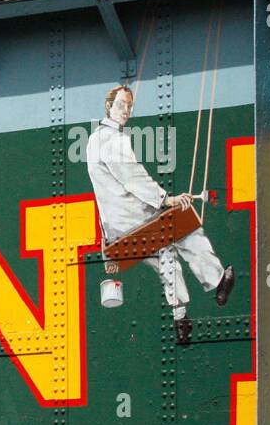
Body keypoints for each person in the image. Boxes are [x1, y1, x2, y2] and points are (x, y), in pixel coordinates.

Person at [86, 85, 234, 344]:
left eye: (129, 106)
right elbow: (133, 178)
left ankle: (180, 319)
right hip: (135, 222)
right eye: (121, 104)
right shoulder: (113, 139)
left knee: (166, 258)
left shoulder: (93, 140)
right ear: (108, 106)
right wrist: (167, 199)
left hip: (116, 233)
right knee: (188, 228)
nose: (126, 111)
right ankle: (218, 280)